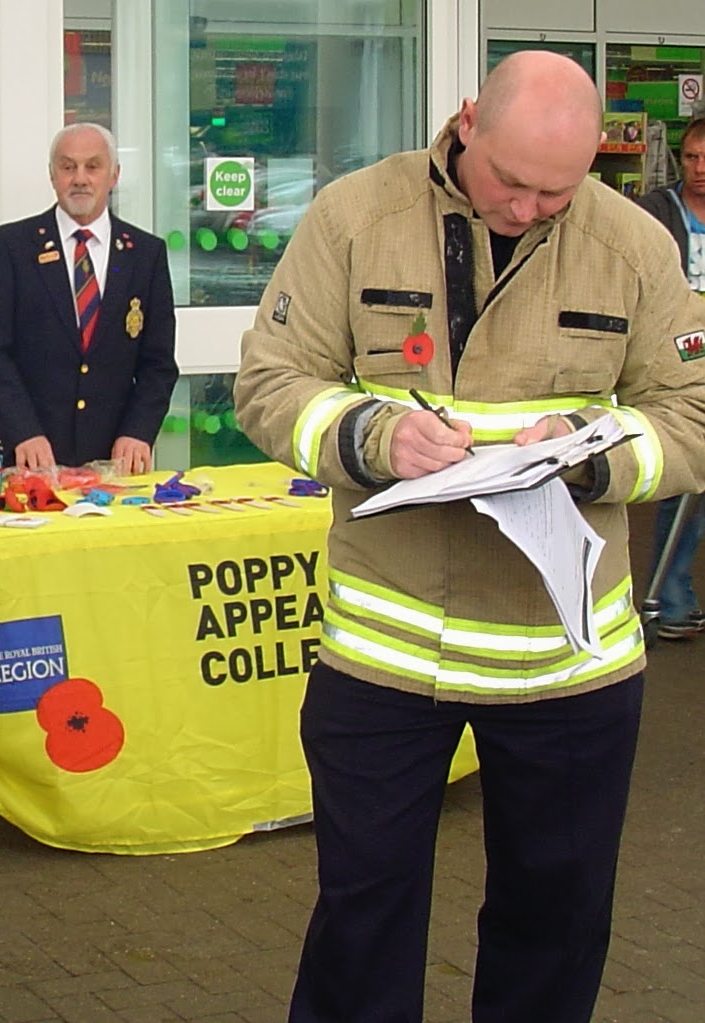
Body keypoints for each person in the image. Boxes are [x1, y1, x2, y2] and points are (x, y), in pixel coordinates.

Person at [234, 51, 705, 1023]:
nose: (530, 208)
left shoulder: (633, 244)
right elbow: (272, 381)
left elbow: (691, 412)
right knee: (363, 920)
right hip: (384, 660)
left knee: (555, 923)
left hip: (567, 665)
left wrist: (590, 452)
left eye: (556, 192)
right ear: (465, 124)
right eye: (511, 183)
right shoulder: (356, 217)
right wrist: (369, 436)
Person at [0, 122, 177, 475]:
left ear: (114, 175)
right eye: (68, 167)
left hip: (116, 460)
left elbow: (158, 364)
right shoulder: (11, 247)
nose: (80, 178)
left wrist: (138, 431)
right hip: (32, 460)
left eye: (92, 166)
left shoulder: (146, 254)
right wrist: (24, 432)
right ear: (52, 176)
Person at [639, 115, 705, 639]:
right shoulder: (658, 213)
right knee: (684, 478)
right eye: (691, 157)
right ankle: (667, 595)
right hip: (679, 360)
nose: (698, 169)